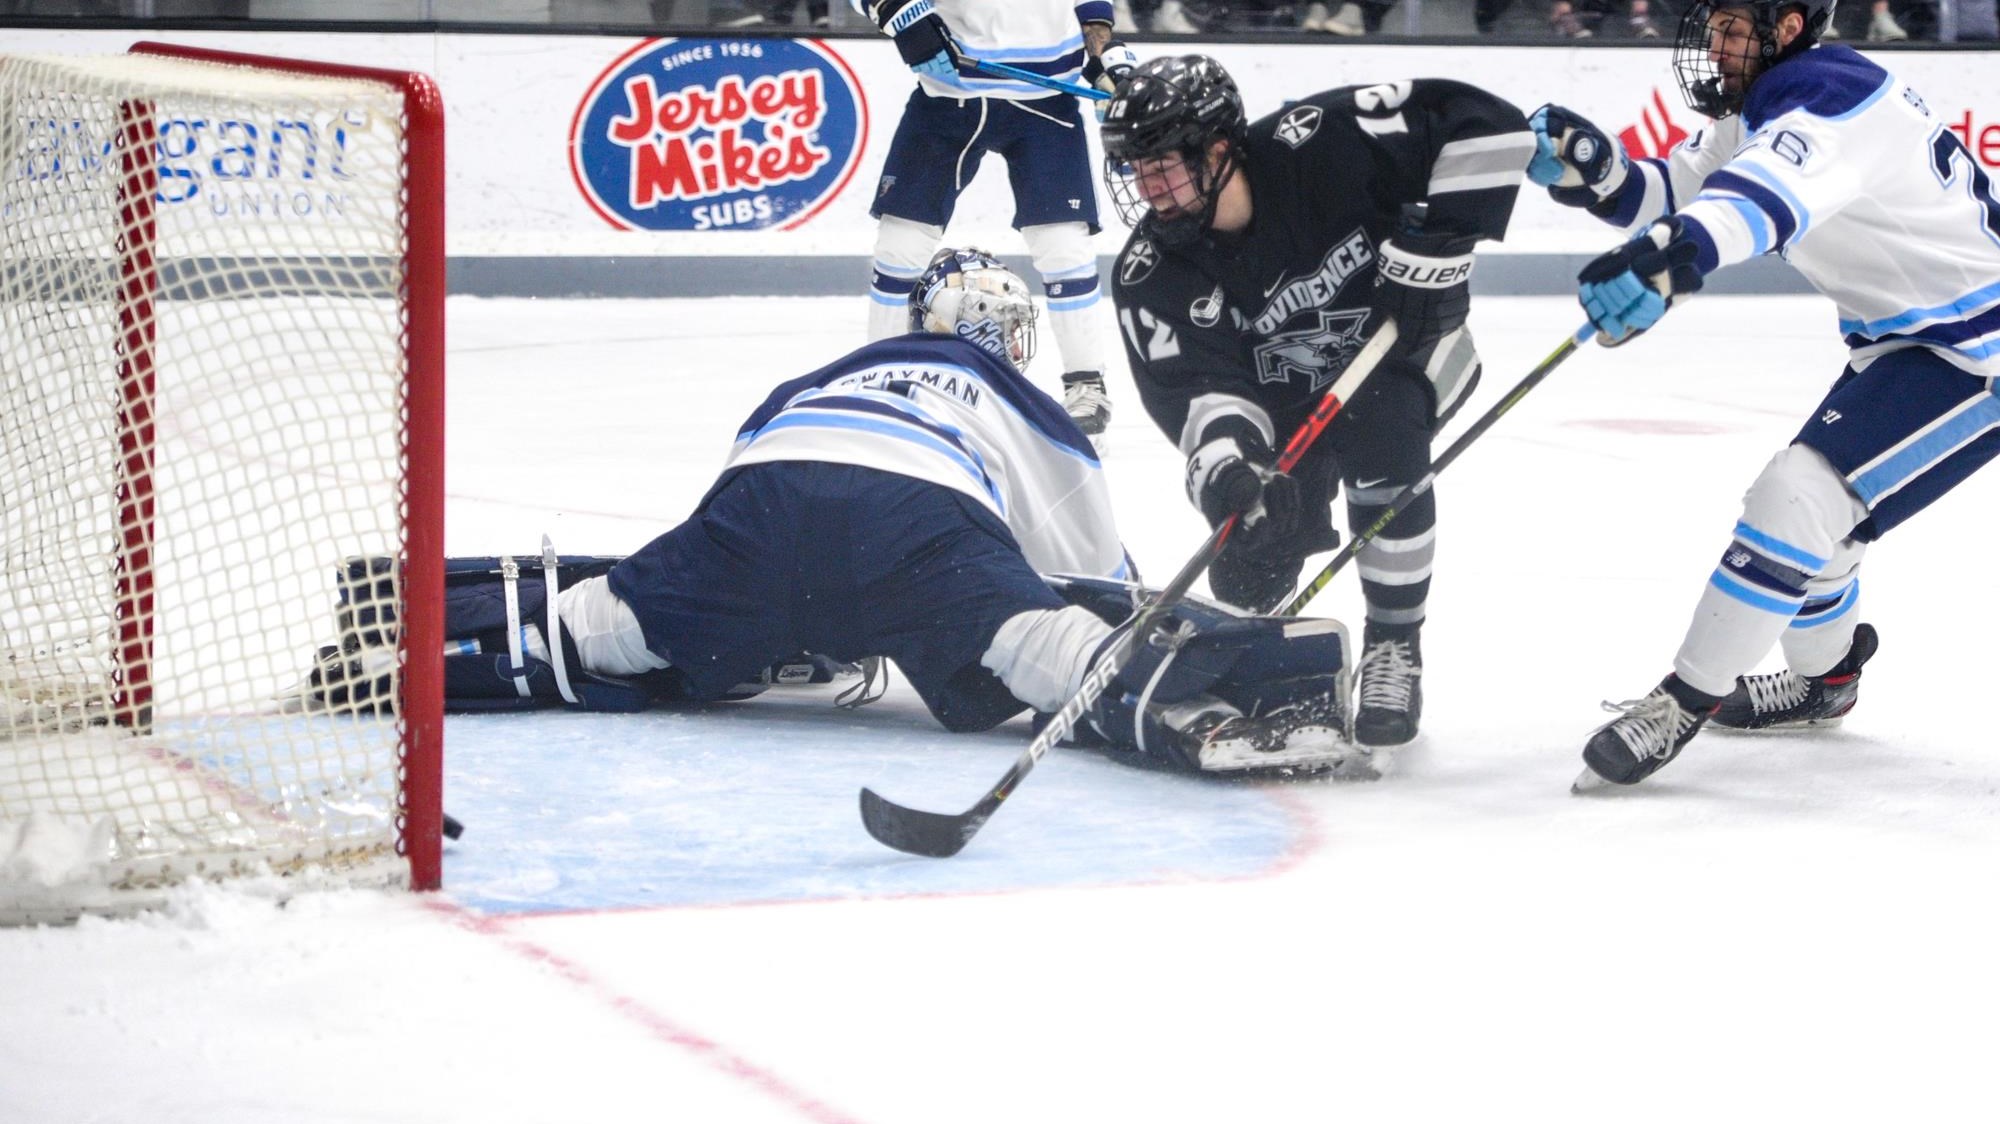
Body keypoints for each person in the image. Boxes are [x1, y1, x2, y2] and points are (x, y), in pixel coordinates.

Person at [301, 251, 1369, 777]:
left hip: (767, 500)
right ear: (1012, 336)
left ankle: (389, 649)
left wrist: (727, 605)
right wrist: (1113, 611)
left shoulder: (838, 367)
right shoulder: (1017, 396)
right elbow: (1087, 563)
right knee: (1051, 640)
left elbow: (735, 486)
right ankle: (1234, 690)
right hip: (920, 526)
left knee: (607, 626)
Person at [1526, 0, 2000, 788]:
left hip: (1978, 349)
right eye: (1712, 26)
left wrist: (1675, 255)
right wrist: (1596, 169)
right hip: (1912, 339)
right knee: (1823, 531)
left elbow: (1760, 202)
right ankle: (1826, 682)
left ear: (1787, 27)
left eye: (1732, 27)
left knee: (1797, 497)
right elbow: (1678, 189)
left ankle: (1683, 702)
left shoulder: (1826, 93)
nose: (1714, 45)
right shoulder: (1767, 99)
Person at [1097, 56, 1534, 749]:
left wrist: (1439, 246)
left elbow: (1492, 127)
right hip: (1291, 411)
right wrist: (1235, 477)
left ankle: (1395, 645)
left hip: (1410, 356)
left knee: (1379, 426)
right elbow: (1204, 399)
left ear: (1218, 151)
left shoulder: (1320, 143)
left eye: (1162, 164)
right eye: (1136, 169)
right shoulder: (1150, 276)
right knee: (1247, 570)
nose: (1148, 188)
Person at [852, 0, 1123, 439]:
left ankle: (1086, 383)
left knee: (1064, 246)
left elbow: (1091, 11)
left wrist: (1104, 62)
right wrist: (901, 14)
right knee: (900, 244)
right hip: (950, 92)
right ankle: (879, 373)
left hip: (1047, 97)